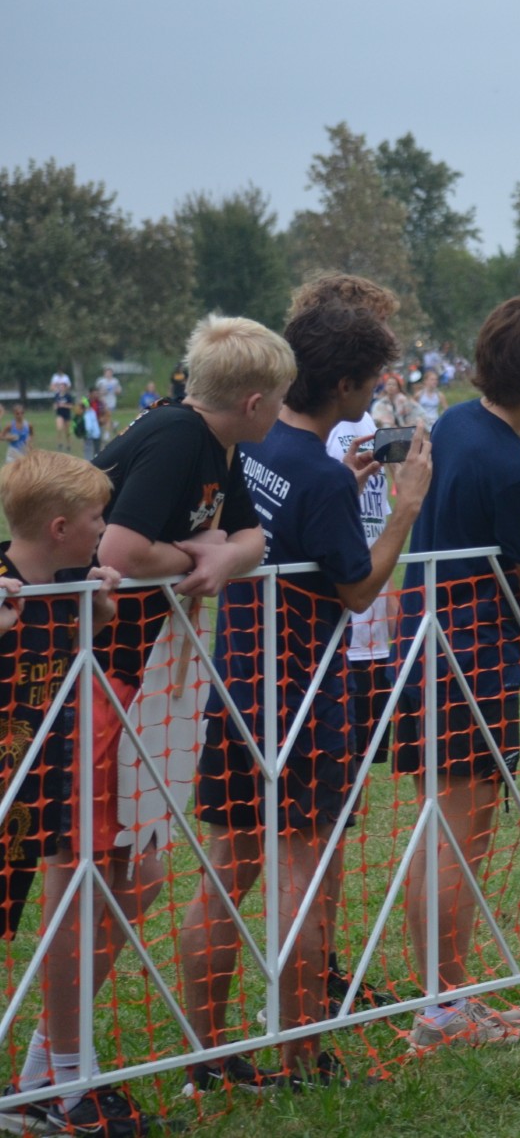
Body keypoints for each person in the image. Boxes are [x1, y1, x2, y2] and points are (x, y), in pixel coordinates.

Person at [179, 303, 433, 1089]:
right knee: (302, 877)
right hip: (302, 695)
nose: (378, 392)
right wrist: (407, 505)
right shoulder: (321, 471)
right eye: (373, 380)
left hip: (238, 681)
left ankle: (210, 1054)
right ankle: (301, 1055)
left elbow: (290, 522)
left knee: (228, 867)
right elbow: (358, 589)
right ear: (348, 382)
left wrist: (338, 488)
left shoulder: (257, 446)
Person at [91, 315, 293, 1093]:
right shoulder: (178, 438)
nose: (278, 411)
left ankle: (60, 1062)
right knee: (114, 872)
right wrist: (193, 558)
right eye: (276, 399)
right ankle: (56, 1067)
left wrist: (228, 552)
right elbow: (117, 550)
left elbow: (251, 539)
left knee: (131, 872)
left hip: (136, 675)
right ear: (252, 401)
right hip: (91, 671)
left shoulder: (221, 446)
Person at [394, 292, 520, 1052]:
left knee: (434, 832)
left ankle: (443, 997)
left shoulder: (454, 424)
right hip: (471, 665)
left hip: (422, 650)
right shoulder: (513, 461)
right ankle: (444, 1010)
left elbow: (487, 546)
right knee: (461, 837)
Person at [0, 453, 134, 1135]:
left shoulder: (71, 584)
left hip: (38, 792)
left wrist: (102, 608)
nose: (104, 530)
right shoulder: (3, 589)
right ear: (58, 526)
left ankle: (32, 1086)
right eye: (96, 520)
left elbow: (69, 651)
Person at [292, 273, 410, 1008]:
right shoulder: (303, 423)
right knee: (316, 824)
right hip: (329, 635)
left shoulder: (367, 419)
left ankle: (324, 962)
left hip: (367, 635)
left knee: (339, 817)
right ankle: (312, 971)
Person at [50, 374, 74, 454]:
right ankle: (59, 444)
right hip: (59, 414)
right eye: (60, 386)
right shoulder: (57, 395)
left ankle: (69, 445)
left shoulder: (68, 396)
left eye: (63, 386)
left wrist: (63, 405)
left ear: (65, 387)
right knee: (59, 428)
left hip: (67, 414)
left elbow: (71, 406)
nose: (61, 388)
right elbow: (54, 404)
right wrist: (55, 407)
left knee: (67, 432)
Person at [94, 369, 120, 437]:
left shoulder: (115, 381)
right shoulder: (100, 381)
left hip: (112, 402)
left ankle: (107, 433)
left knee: (108, 416)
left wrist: (115, 391)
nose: (108, 374)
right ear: (104, 373)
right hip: (103, 401)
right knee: (105, 417)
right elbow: (96, 392)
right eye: (107, 373)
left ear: (112, 373)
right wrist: (103, 392)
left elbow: (118, 391)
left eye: (110, 373)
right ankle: (113, 424)